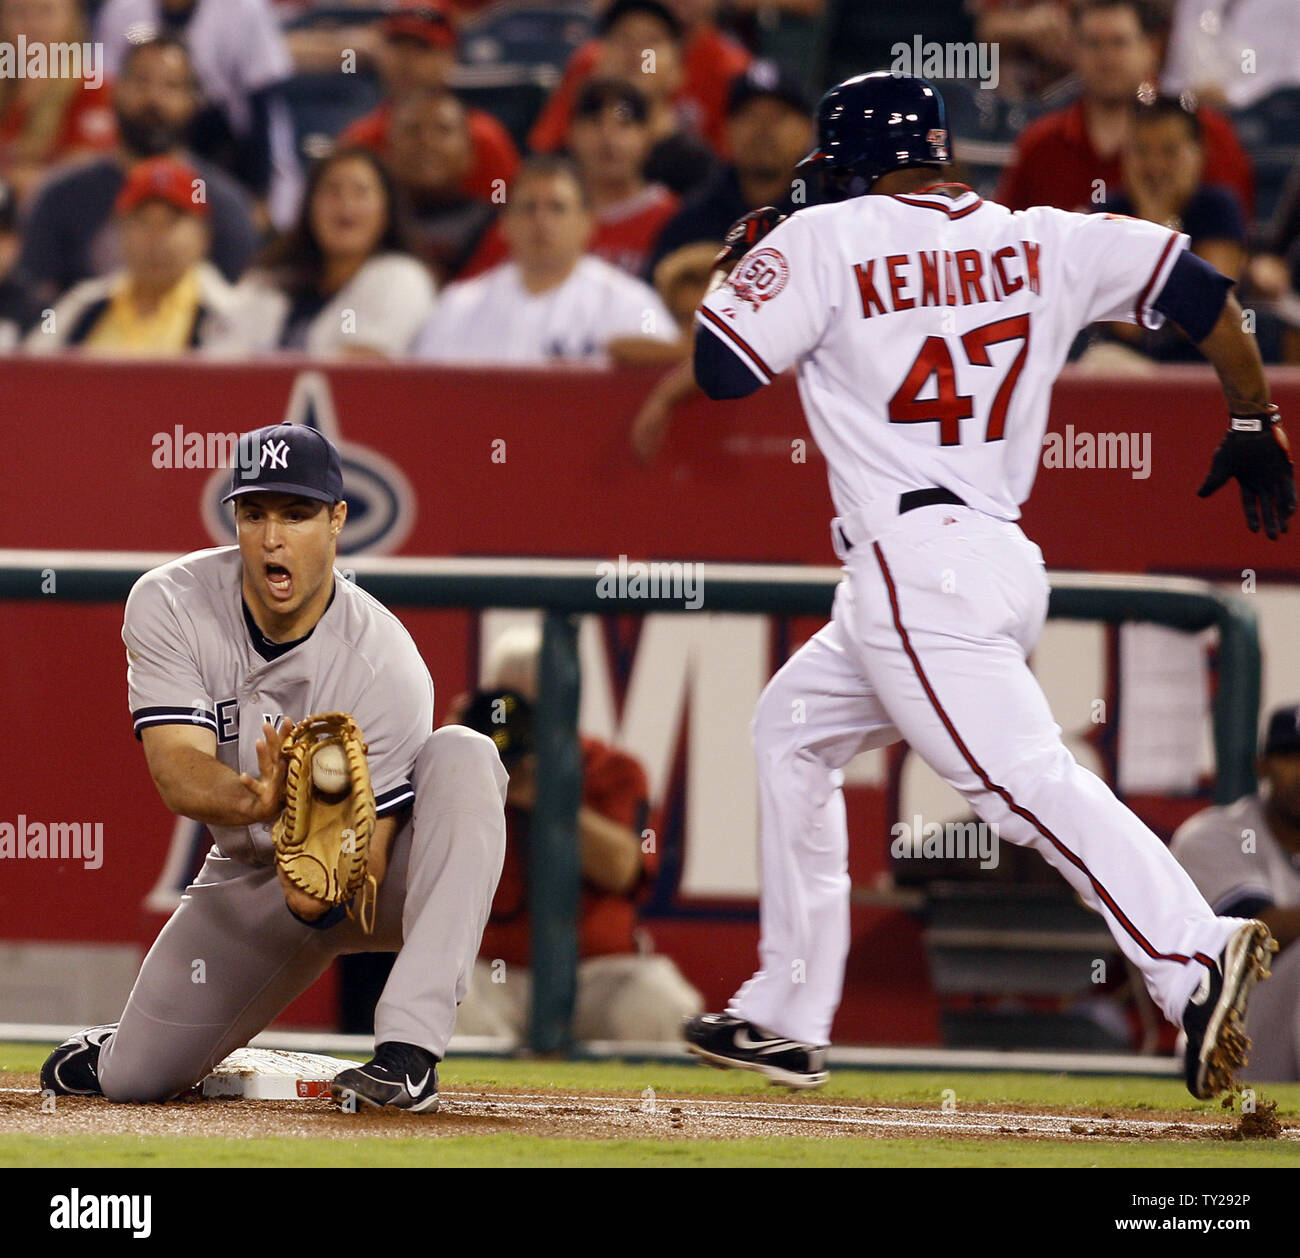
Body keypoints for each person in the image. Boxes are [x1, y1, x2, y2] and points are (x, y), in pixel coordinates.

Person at [679, 72, 1291, 1099]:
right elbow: (1200, 292)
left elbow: (718, 369)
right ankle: (785, 1009)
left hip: (915, 569)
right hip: (996, 555)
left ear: (847, 164)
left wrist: (751, 257)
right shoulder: (1044, 235)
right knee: (791, 730)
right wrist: (1249, 416)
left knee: (1022, 785)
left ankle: (1194, 953)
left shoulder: (826, 237)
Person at [40, 424, 508, 1112]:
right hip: (246, 880)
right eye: (254, 513)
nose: (271, 537)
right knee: (133, 1083)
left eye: (296, 514)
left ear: (338, 521)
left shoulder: (384, 658)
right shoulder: (170, 601)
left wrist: (313, 853)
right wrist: (258, 802)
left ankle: (410, 1051)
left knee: (466, 754)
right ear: (234, 518)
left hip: (374, 883)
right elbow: (176, 772)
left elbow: (342, 890)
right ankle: (135, 1041)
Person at [452, 684, 703, 1043]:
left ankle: (649, 1102)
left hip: (598, 976)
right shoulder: (466, 764)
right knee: (445, 1000)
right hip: (496, 975)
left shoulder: (611, 768)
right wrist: (450, 761)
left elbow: (622, 868)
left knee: (664, 1005)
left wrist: (548, 797)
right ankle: (478, 1099)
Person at [18, 34, 260, 310]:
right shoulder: (60, 195)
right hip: (84, 346)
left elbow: (240, 310)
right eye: (141, 81)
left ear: (193, 101)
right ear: (115, 89)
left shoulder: (225, 203)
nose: (153, 97)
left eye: (171, 86)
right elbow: (35, 300)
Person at [996, 0, 1255, 225]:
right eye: (1093, 44)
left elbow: (1234, 246)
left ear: (1151, 48)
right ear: (1073, 51)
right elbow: (1008, 240)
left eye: (1119, 43)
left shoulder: (1208, 133)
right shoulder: (1040, 143)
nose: (1106, 57)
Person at [413, 155, 678, 367]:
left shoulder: (631, 303)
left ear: (587, 223)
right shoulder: (458, 305)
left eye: (557, 208)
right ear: (504, 223)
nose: (541, 221)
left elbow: (662, 381)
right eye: (528, 208)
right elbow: (430, 392)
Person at [1172, 704, 1300, 1081]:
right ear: (1263, 765)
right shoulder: (1215, 836)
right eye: (1290, 756)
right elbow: (1255, 933)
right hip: (1239, 1037)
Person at [211, 146, 436, 358]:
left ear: (387, 210)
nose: (346, 205)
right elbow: (222, 356)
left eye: (361, 192)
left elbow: (360, 369)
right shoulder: (269, 280)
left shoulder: (400, 277)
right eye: (332, 191)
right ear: (309, 207)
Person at [95, 0, 300, 226]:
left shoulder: (243, 9)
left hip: (226, 150)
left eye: (169, 85)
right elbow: (106, 89)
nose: (154, 94)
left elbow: (262, 110)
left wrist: (260, 195)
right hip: (131, 151)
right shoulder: (123, 9)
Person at [1082, 94, 1247, 367]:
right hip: (1125, 372)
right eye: (1142, 151)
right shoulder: (1107, 211)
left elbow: (1198, 319)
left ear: (1198, 153)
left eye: (1170, 151)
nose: (1155, 166)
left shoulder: (1218, 208)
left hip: (1205, 373)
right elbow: (1128, 327)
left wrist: (1160, 224)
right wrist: (1151, 218)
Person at [462, 79, 682, 282]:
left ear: (648, 137)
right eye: (594, 122)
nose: (608, 137)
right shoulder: (530, 213)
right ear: (571, 134)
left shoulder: (674, 220)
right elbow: (474, 296)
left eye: (624, 124)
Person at [25, 154, 240, 355]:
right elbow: (33, 371)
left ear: (203, 234)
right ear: (120, 231)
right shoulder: (80, 305)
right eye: (141, 221)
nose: (155, 237)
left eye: (171, 221)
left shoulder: (229, 314)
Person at [338, 0, 518, 207]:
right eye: (397, 45)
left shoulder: (485, 140)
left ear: (449, 58)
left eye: (422, 48)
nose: (407, 59)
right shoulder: (362, 140)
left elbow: (508, 221)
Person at [646, 59, 812, 276]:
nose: (763, 130)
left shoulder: (829, 212)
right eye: (749, 116)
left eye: (778, 116)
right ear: (727, 130)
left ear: (807, 130)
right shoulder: (693, 220)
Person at [529, 0, 751, 159]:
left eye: (650, 41)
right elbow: (546, 150)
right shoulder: (587, 63)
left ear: (679, 69)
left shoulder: (729, 67)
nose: (635, 52)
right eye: (623, 38)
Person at [0, 0, 116, 205]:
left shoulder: (91, 87)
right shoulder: (7, 84)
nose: (32, 24)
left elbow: (85, 176)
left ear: (72, 18)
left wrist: (18, 179)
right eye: (18, 11)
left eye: (45, 11)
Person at [385, 89, 497, 284]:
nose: (426, 142)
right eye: (412, 130)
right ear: (389, 151)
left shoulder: (498, 229)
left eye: (443, 130)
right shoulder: (369, 224)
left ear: (469, 154)